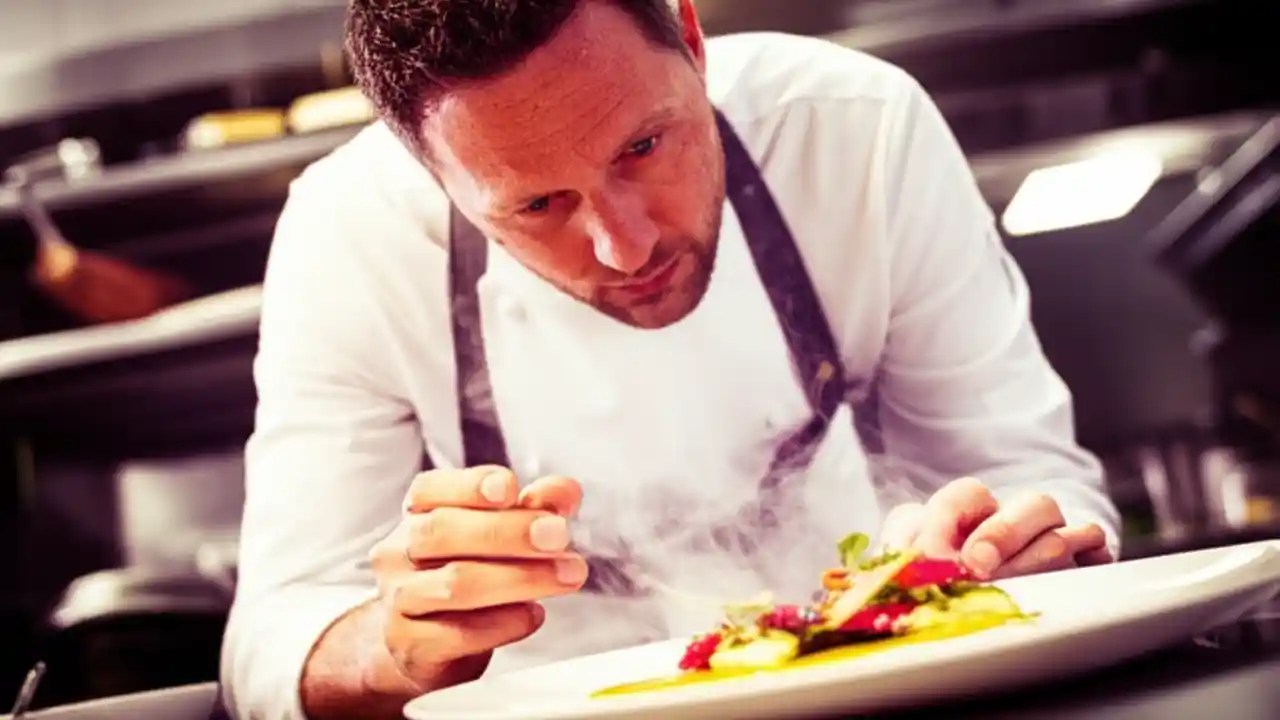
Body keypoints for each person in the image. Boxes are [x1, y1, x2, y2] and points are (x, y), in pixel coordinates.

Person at [219, 1, 1121, 718]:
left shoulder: (856, 128)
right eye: (536, 206)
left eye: (643, 147)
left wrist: (1012, 547)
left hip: (880, 688)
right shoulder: (348, 239)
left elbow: (1030, 478)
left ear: (691, 36)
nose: (625, 246)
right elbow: (265, 650)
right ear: (430, 174)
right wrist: (390, 647)